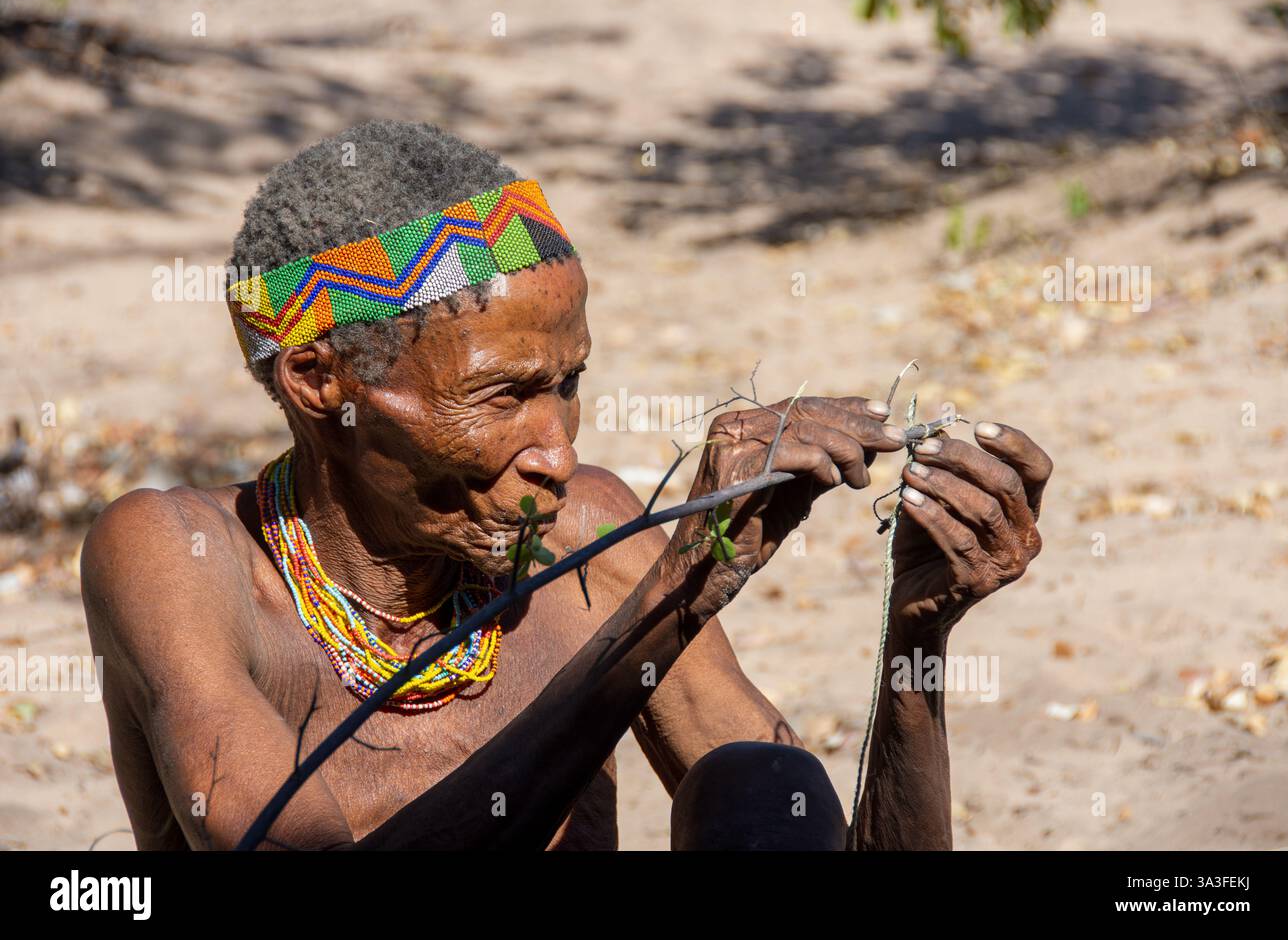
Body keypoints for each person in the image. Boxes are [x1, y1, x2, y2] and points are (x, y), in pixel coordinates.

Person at [80, 120, 1051, 850]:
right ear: (320, 381)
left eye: (568, 384)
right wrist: (673, 597)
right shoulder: (179, 554)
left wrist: (915, 637)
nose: (555, 448)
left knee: (762, 784)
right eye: (502, 396)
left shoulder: (589, 527)